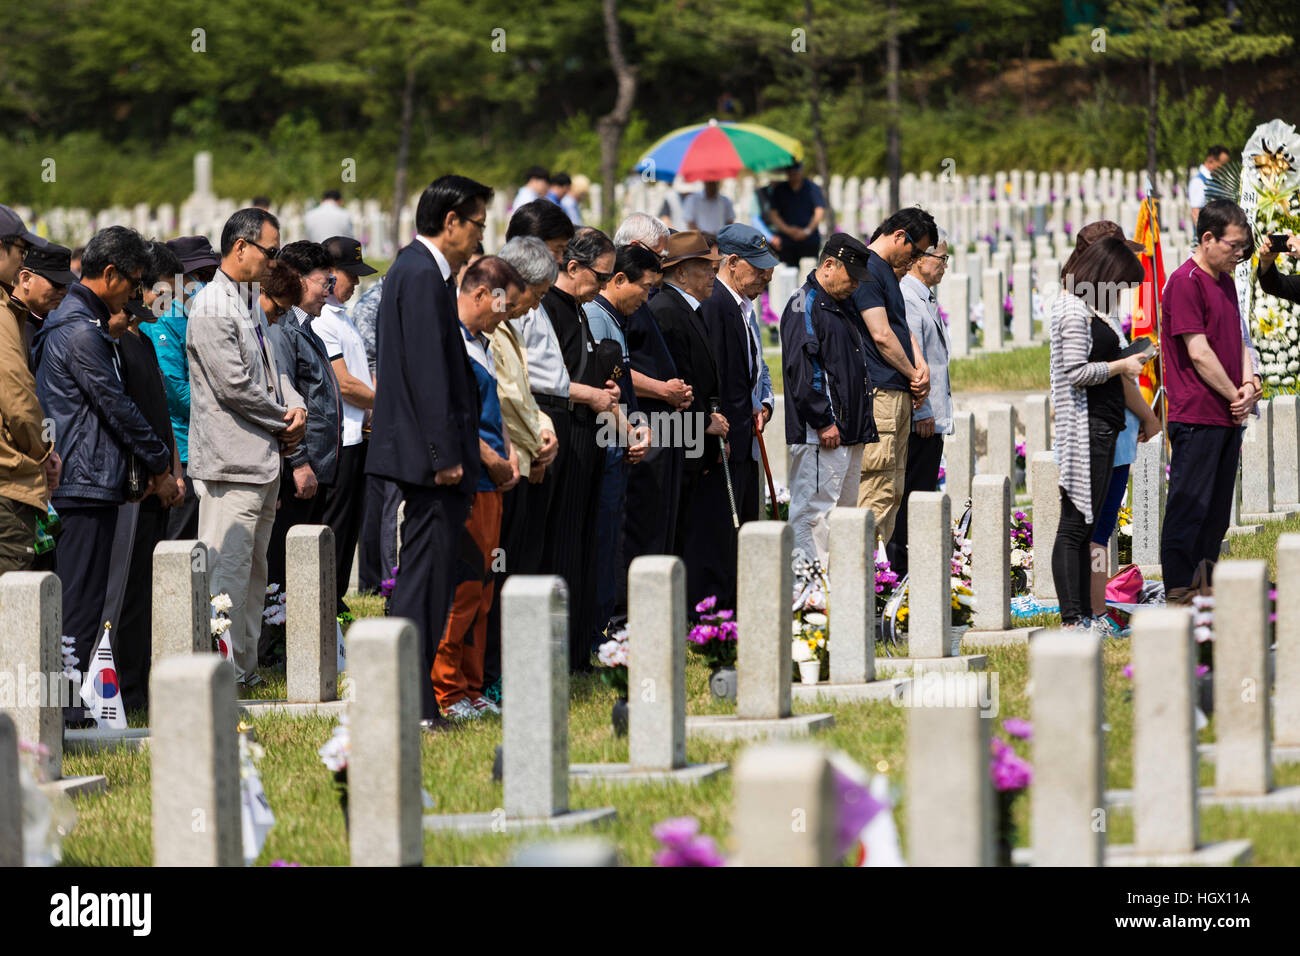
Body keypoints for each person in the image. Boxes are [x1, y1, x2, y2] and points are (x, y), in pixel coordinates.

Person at [34, 226, 175, 709]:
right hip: (82, 482)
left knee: (90, 604)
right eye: (134, 282)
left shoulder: (90, 324)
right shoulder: (79, 329)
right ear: (110, 273)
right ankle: (65, 711)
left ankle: (72, 706)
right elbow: (116, 406)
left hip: (91, 480)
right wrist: (160, 464)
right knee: (79, 605)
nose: (137, 294)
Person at [367, 175, 489, 726]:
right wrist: (445, 456)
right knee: (421, 581)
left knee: (435, 577)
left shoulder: (423, 272)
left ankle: (413, 699)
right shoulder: (419, 274)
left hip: (432, 456)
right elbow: (426, 374)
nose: (480, 236)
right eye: (478, 224)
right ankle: (409, 701)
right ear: (451, 222)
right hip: (428, 460)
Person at [188, 208, 307, 688]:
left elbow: (274, 368)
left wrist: (295, 406)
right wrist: (283, 421)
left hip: (261, 461)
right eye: (270, 250)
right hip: (231, 463)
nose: (274, 260)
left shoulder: (250, 302)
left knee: (254, 576)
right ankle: (222, 673)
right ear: (241, 247)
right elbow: (233, 386)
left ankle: (246, 666)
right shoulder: (211, 305)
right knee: (226, 575)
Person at [433, 256, 527, 720]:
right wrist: (492, 459)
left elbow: (493, 414)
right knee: (463, 585)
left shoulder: (481, 343)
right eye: (502, 305)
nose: (505, 315)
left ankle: (471, 686)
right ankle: (446, 691)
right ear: (477, 295)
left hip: (491, 480)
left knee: (484, 588)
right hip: (469, 479)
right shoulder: (447, 342)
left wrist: (508, 453)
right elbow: (452, 418)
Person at [1050, 237, 1153, 629]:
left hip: (1103, 425)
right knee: (1075, 526)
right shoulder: (1073, 311)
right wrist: (1122, 366)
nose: (1124, 292)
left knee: (1089, 526)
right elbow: (1075, 372)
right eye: (1122, 282)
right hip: (1085, 427)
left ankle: (1081, 617)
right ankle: (1073, 618)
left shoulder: (1089, 308)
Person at [1160, 199, 1259, 603]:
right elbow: (1198, 351)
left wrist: (1251, 382)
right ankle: (1180, 588)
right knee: (1190, 506)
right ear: (1207, 238)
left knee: (1217, 511)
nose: (1240, 255)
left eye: (1244, 248)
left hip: (1228, 413)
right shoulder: (1185, 282)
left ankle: (1207, 584)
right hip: (1198, 414)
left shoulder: (1226, 280)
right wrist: (1234, 392)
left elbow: (1237, 338)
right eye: (1234, 246)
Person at [108, 241, 189, 711]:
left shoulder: (140, 340)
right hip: (136, 484)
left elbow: (157, 410)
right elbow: (128, 416)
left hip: (161, 475)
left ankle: (138, 683)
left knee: (144, 589)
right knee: (125, 591)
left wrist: (173, 469)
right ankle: (121, 685)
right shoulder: (118, 344)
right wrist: (159, 471)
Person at [481, 236, 561, 704]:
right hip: (505, 464)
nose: (537, 306)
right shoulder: (489, 327)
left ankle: (513, 664)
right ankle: (493, 670)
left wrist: (545, 432)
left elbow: (525, 395)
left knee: (520, 570)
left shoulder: (510, 326)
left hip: (529, 458)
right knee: (498, 575)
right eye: (538, 295)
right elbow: (502, 402)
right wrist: (533, 442)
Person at [540, 228, 623, 667]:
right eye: (601, 276)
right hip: (566, 436)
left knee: (586, 545)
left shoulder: (577, 309)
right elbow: (547, 379)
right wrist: (591, 394)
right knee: (565, 543)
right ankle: (561, 650)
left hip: (590, 436)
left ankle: (578, 648)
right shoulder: (550, 310)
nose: (605, 286)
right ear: (572, 268)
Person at [649, 230, 733, 605]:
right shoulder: (667, 311)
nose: (713, 276)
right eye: (706, 268)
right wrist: (703, 423)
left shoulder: (688, 310)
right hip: (676, 438)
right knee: (673, 527)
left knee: (689, 528)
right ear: (681, 272)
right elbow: (676, 382)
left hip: (695, 438)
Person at [782, 233, 877, 565]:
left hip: (847, 431)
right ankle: (810, 599)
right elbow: (802, 369)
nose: (855, 285)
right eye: (851, 276)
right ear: (828, 265)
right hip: (820, 433)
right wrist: (824, 420)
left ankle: (838, 594)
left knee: (842, 518)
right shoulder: (803, 303)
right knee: (814, 516)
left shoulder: (840, 303)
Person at [613, 213, 695, 593]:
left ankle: (656, 603)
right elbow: (620, 367)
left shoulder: (645, 294)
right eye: (657, 256)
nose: (662, 266)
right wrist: (663, 390)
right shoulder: (622, 299)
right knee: (641, 521)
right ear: (633, 249)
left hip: (666, 425)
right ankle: (630, 610)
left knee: (663, 519)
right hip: (640, 423)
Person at [696, 224, 778, 605]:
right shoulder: (717, 305)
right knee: (719, 532)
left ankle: (736, 606)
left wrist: (760, 403)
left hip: (745, 435)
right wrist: (723, 435)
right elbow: (716, 378)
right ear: (731, 262)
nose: (766, 276)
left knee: (742, 528)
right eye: (758, 268)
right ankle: (717, 613)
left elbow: (750, 368)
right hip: (725, 442)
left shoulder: (742, 307)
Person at [583, 243, 660, 638]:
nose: (646, 298)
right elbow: (600, 391)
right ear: (617, 279)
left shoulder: (613, 318)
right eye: (644, 288)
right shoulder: (597, 318)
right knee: (603, 539)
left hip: (618, 443)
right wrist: (629, 432)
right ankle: (602, 625)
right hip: (605, 445)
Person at [265, 241, 344, 604]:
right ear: (296, 280)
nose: (329, 291)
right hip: (301, 467)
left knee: (305, 560)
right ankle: (274, 642)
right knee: (283, 562)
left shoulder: (307, 328)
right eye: (323, 282)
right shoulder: (282, 330)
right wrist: (299, 462)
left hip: (319, 466)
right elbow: (282, 401)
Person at [504, 199, 577, 575]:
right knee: (523, 541)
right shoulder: (513, 303)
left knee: (541, 534)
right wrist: (532, 441)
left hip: (546, 420)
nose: (562, 260)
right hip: (533, 421)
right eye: (558, 250)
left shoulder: (534, 298)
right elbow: (516, 381)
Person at [854, 208, 934, 545]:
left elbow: (900, 328)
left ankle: (878, 580)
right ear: (899, 236)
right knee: (877, 490)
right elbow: (881, 335)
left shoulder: (887, 272)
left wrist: (919, 365)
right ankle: (864, 582)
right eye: (915, 251)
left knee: (893, 490)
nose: (915, 260)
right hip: (881, 394)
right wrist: (913, 373)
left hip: (898, 391)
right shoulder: (868, 269)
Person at [314, 236, 377, 613]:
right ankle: (325, 601)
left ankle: (335, 598)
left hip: (356, 436)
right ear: (330, 274)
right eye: (349, 275)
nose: (355, 283)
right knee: (335, 525)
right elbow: (344, 383)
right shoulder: (324, 319)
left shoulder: (340, 315)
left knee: (349, 525)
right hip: (340, 440)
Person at [144, 235, 220, 541]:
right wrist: (219, 411)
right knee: (175, 544)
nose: (205, 284)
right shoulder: (166, 316)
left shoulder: (203, 311)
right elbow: (174, 389)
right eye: (198, 277)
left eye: (210, 276)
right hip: (182, 447)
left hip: (202, 442)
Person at [887, 228, 954, 577]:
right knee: (911, 498)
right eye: (941, 258)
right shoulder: (908, 299)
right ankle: (901, 571)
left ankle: (915, 569)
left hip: (931, 417)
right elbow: (910, 359)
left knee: (922, 495)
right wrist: (923, 409)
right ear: (920, 259)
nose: (945, 265)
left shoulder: (924, 296)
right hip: (920, 419)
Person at [0, 205, 60, 575]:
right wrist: (43, 451)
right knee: (13, 613)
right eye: (20, 249)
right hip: (7, 481)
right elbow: (18, 397)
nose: (25, 259)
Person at [349, 276, 401, 594]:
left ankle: (381, 580)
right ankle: (379, 582)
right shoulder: (373, 305)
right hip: (380, 416)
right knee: (381, 506)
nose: (355, 281)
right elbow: (368, 364)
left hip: (391, 413)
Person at [11, 240, 75, 355]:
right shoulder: (8, 323)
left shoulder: (51, 321)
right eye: (57, 283)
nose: (64, 291)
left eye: (65, 285)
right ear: (26, 279)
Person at [765, 163, 826, 267]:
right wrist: (788, 230)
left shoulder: (812, 188)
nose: (793, 175)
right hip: (787, 240)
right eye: (791, 173)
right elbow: (773, 214)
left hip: (809, 239)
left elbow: (819, 211)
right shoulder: (780, 189)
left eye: (796, 172)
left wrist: (806, 231)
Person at [1188, 145, 1232, 227]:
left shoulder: (1214, 180)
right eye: (1223, 165)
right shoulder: (1199, 182)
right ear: (1211, 161)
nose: (1225, 169)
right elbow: (1195, 213)